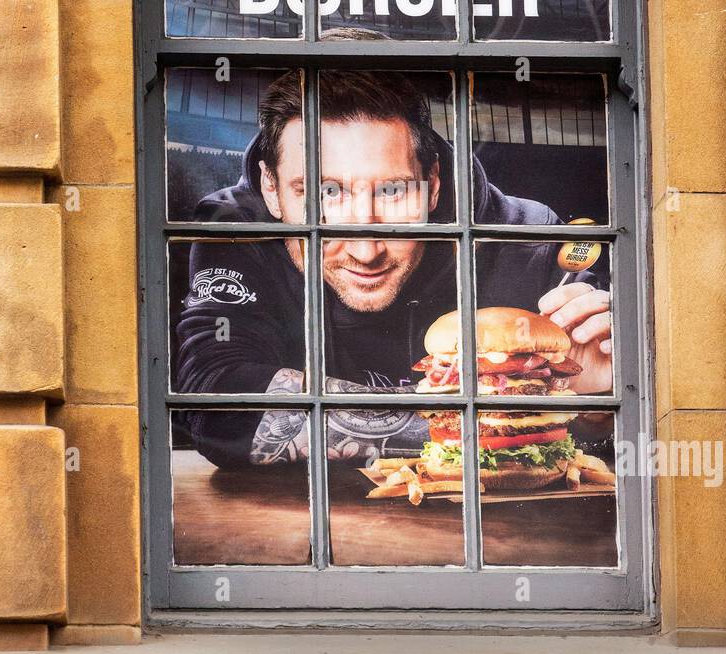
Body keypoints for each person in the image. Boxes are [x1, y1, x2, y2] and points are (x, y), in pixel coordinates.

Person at [175, 67, 612, 468]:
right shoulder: (234, 229)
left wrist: (599, 408)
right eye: (326, 193)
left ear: (434, 184)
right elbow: (216, 398)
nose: (366, 252)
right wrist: (524, 413)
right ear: (271, 190)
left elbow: (615, 421)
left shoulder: (526, 235)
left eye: (392, 191)